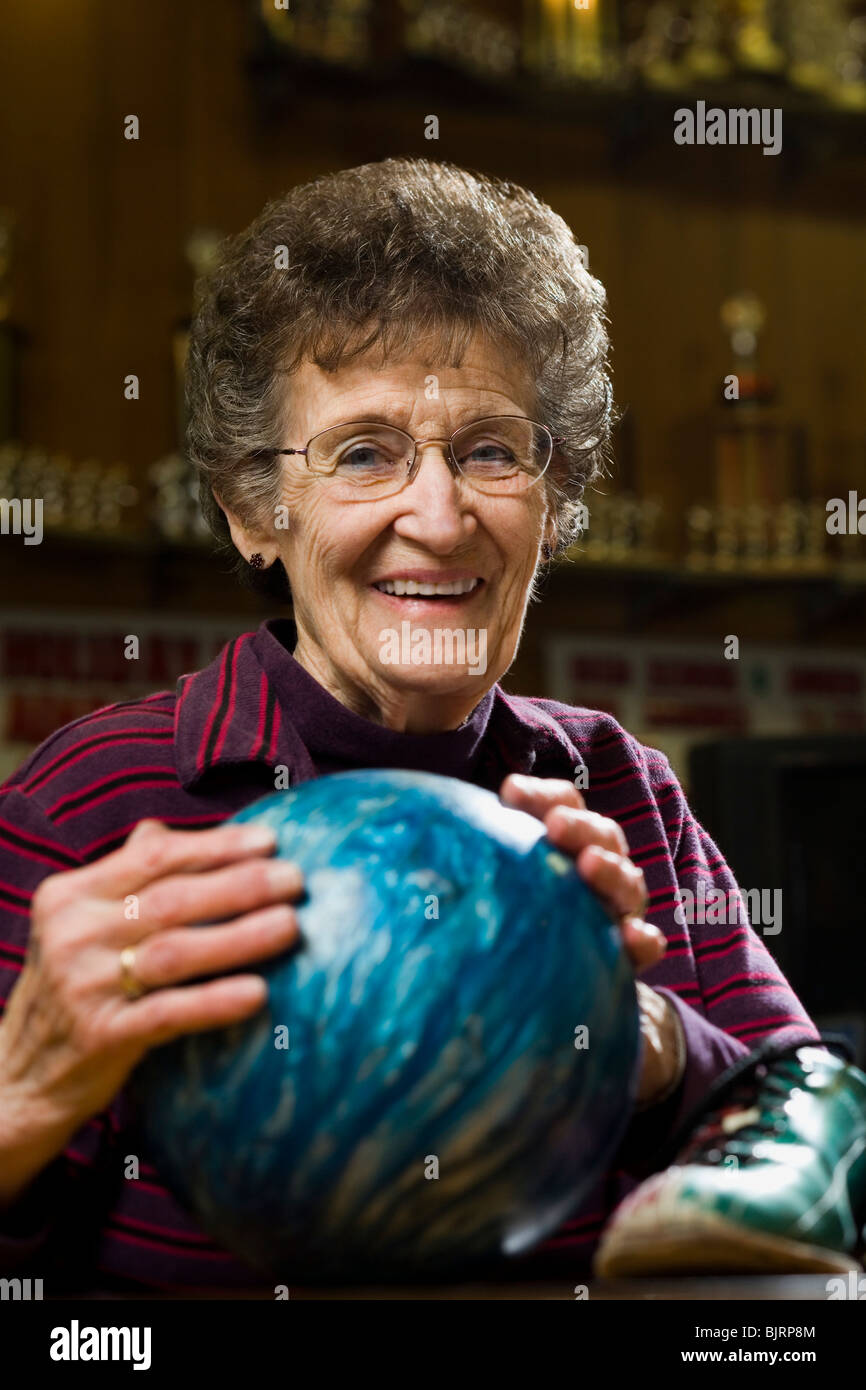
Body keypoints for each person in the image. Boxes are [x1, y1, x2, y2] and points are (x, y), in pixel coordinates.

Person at [0, 159, 863, 1293]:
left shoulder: (621, 790)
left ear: (551, 506)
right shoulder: (86, 808)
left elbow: (807, 1139)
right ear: (255, 509)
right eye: (364, 453)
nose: (440, 516)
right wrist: (22, 1102)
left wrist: (645, 1038)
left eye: (491, 451)